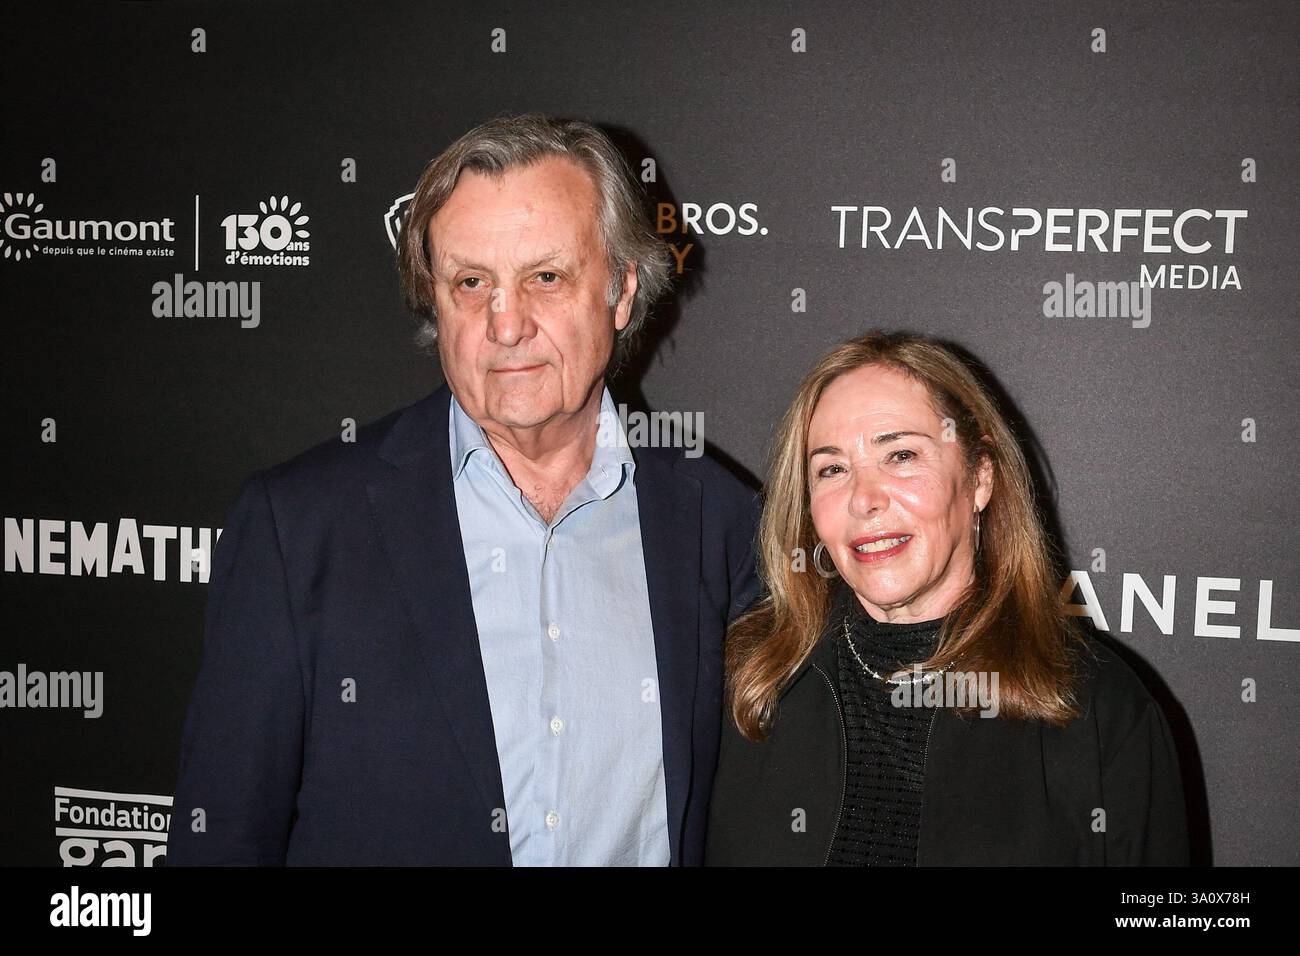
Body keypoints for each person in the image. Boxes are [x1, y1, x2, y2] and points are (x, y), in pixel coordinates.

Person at [166, 113, 762, 866]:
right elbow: (220, 840)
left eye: (546, 277)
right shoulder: (302, 526)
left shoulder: (717, 517)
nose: (504, 324)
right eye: (470, 283)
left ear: (620, 292)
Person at [705, 331, 1190, 865]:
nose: (865, 499)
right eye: (832, 469)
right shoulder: (748, 681)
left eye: (902, 454)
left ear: (980, 478)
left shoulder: (1093, 707)